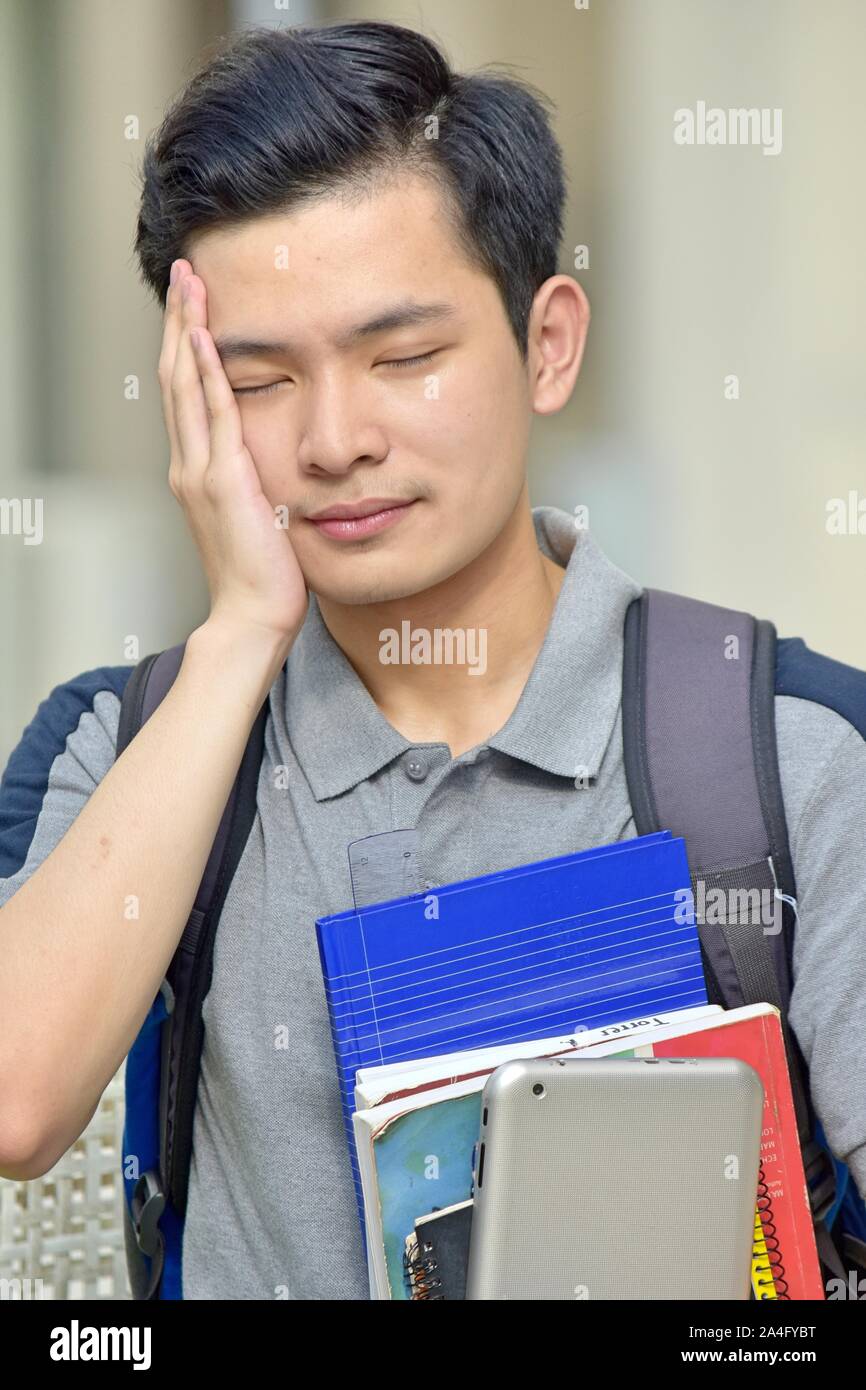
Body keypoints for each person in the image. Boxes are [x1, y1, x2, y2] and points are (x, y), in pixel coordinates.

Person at [0, 20, 864, 1301]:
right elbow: (18, 1107)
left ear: (546, 342)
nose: (333, 438)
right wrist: (241, 632)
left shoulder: (785, 750)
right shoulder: (122, 745)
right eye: (257, 381)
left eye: (402, 358)